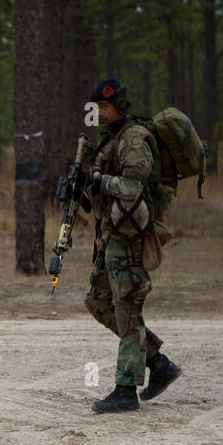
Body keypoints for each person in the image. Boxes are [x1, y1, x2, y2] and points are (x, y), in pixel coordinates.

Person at [82, 78, 182, 412]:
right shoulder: (109, 141)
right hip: (110, 235)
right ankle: (159, 363)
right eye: (96, 108)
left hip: (130, 238)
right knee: (99, 302)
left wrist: (99, 180)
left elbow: (132, 188)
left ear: (120, 106)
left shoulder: (134, 139)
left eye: (106, 107)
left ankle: (126, 389)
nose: (100, 114)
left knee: (128, 309)